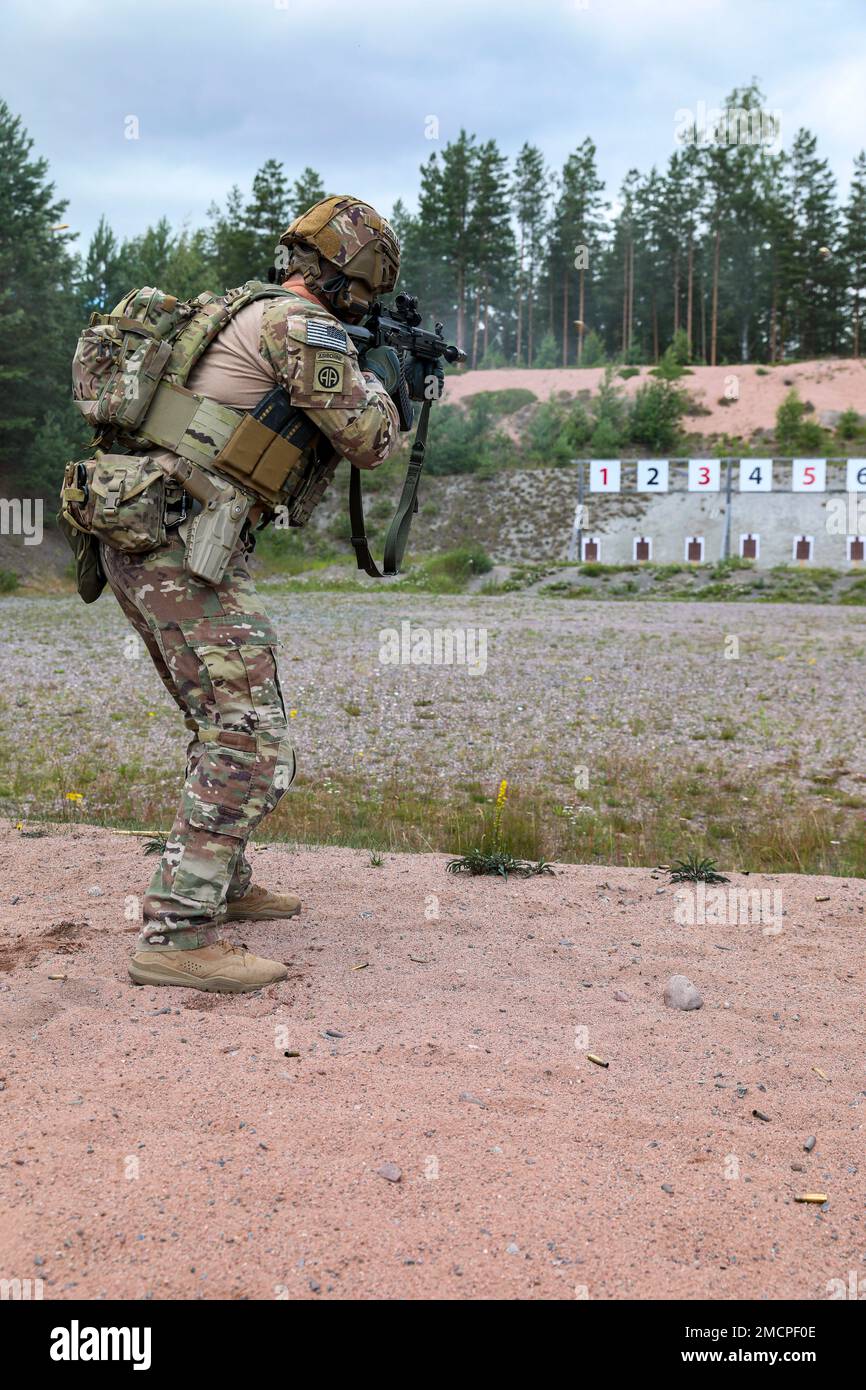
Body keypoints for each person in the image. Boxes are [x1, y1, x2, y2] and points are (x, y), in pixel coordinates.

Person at [101, 196, 408, 992]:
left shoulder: (235, 307)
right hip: (175, 541)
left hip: (142, 529)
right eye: (366, 290)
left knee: (221, 721)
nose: (366, 304)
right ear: (346, 279)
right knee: (252, 742)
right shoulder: (304, 328)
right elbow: (371, 443)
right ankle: (175, 934)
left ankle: (221, 885)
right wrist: (390, 384)